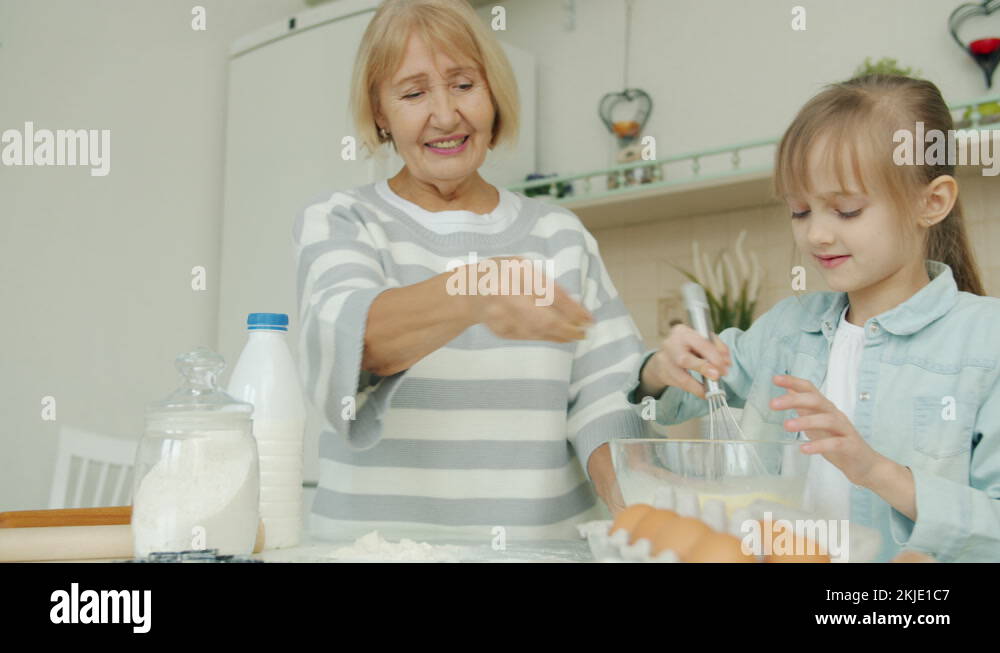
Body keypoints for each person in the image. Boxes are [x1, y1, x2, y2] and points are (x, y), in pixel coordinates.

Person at [293, 0, 646, 542]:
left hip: (538, 554)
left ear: (494, 95)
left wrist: (640, 510)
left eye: (463, 85)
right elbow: (350, 343)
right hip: (374, 554)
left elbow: (607, 396)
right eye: (413, 93)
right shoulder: (345, 219)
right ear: (381, 113)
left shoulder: (561, 234)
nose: (445, 114)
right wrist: (477, 288)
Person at [625, 74, 1000, 562]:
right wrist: (661, 369)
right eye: (800, 211)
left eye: (846, 210)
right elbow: (669, 404)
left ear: (930, 203)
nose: (817, 235)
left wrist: (873, 470)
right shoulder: (784, 331)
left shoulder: (984, 341)